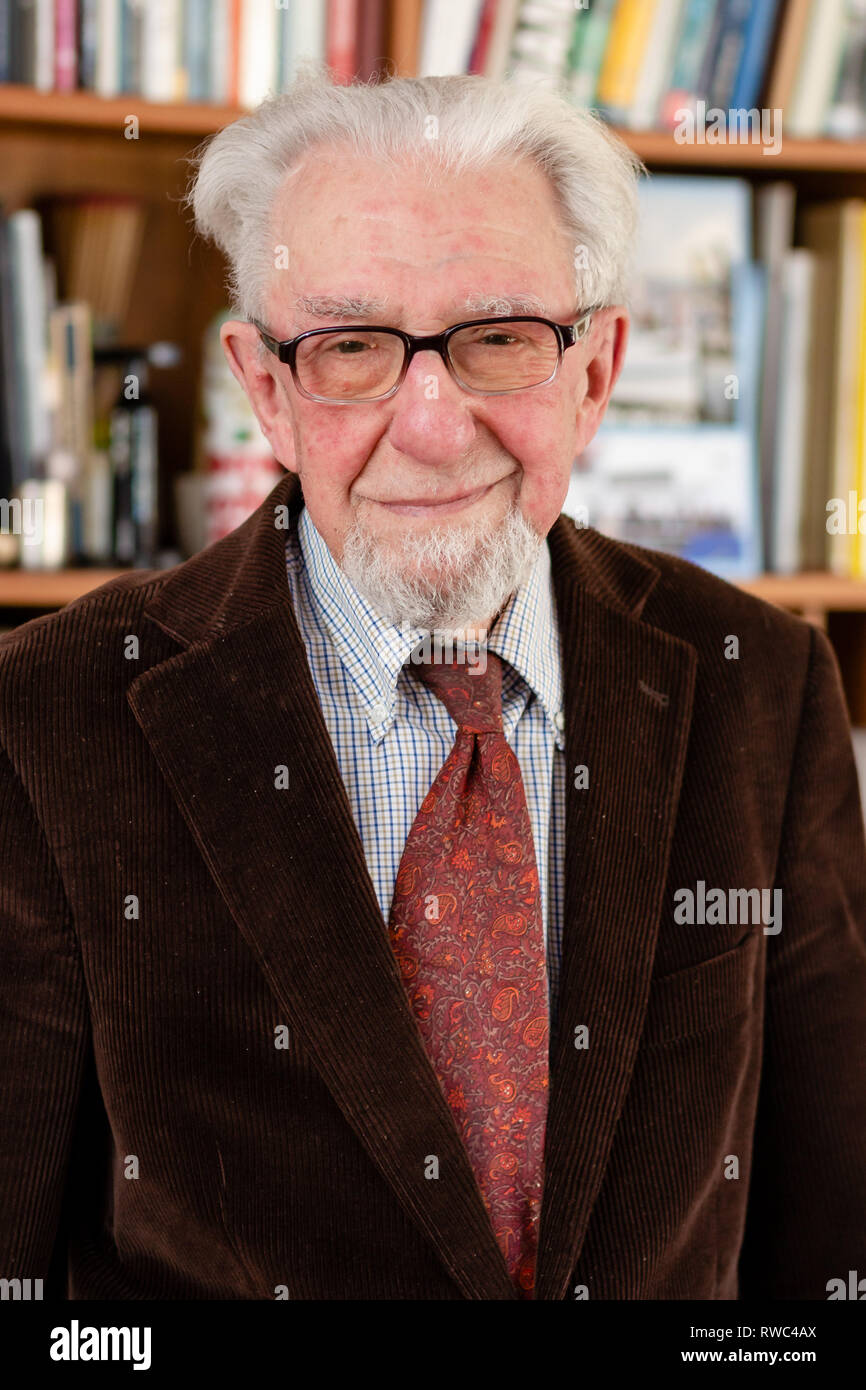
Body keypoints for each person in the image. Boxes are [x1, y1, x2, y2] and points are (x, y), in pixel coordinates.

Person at [1, 69, 864, 1302]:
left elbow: (826, 1254)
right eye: (349, 347)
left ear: (595, 370)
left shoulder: (764, 686)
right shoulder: (45, 718)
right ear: (265, 389)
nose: (431, 423)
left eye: (498, 339)